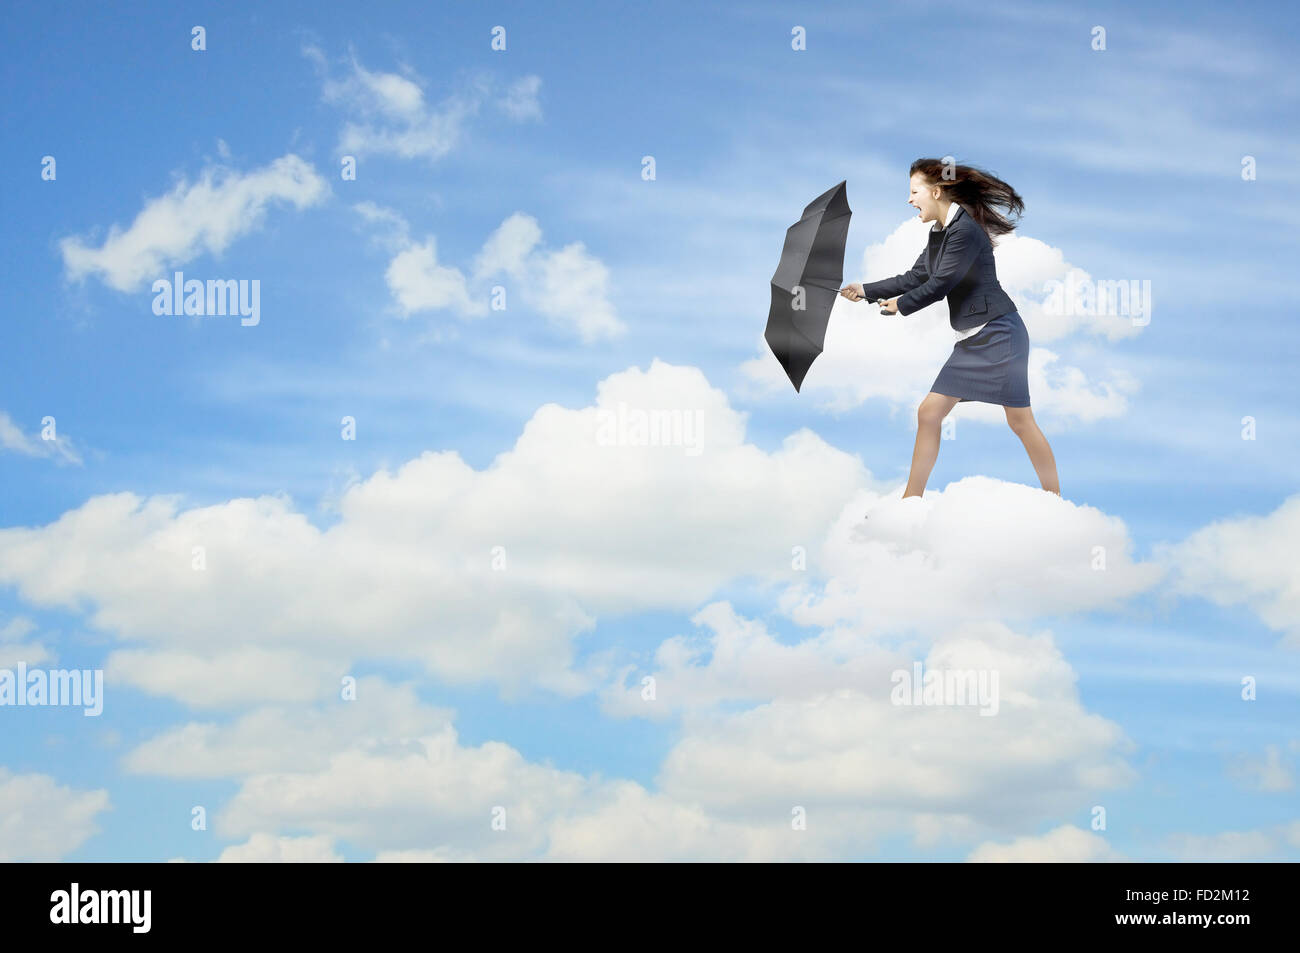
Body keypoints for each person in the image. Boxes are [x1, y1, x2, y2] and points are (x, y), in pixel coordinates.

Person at [840, 158, 1060, 499]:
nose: (910, 200)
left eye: (915, 192)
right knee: (929, 413)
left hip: (1000, 334)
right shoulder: (939, 232)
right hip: (975, 338)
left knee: (1020, 422)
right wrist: (866, 290)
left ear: (937, 191)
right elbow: (916, 277)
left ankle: (1054, 500)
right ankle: (911, 501)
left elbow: (943, 282)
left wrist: (901, 305)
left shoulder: (966, 231)